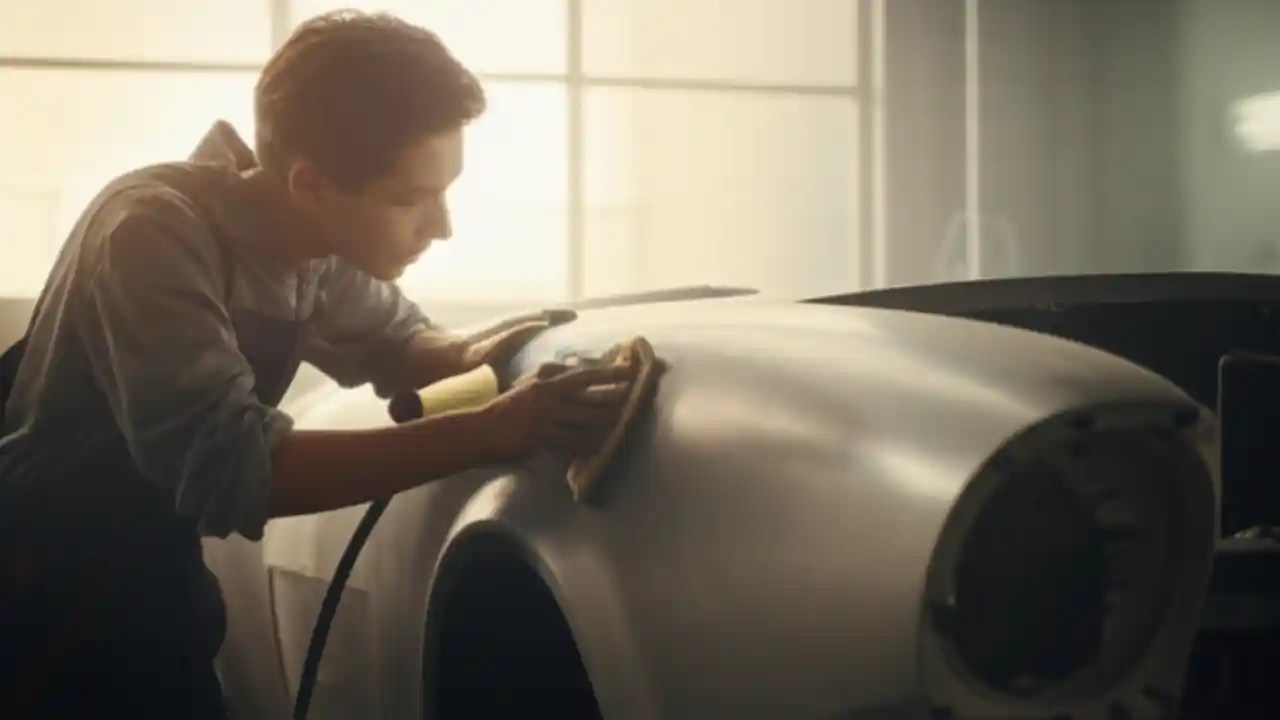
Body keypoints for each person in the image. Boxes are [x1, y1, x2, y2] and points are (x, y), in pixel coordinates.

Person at [0, 10, 635, 718]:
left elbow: (398, 348)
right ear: (309, 184)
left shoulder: (303, 236)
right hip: (44, 590)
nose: (442, 227)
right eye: (409, 199)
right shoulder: (151, 235)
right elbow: (240, 470)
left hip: (151, 576)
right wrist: (492, 431)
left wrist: (485, 354)